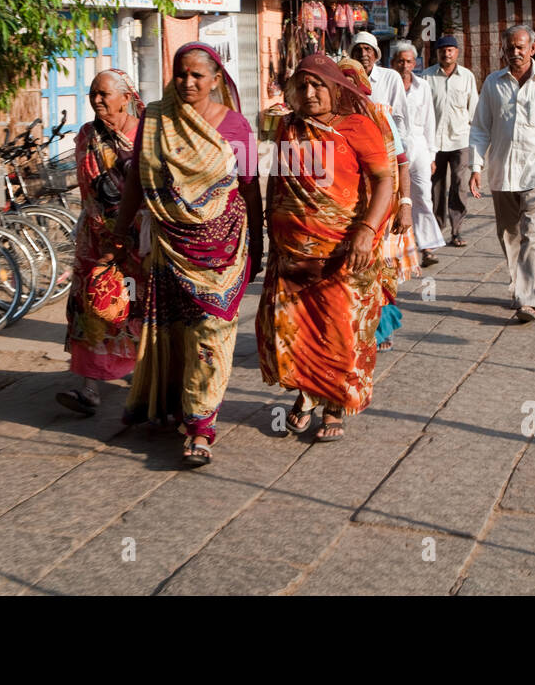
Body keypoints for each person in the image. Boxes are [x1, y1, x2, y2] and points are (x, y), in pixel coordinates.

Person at [102, 43, 262, 468]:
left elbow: (249, 187)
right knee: (171, 329)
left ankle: (200, 428)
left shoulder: (235, 127)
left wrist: (260, 244)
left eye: (197, 76)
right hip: (167, 245)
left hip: (223, 247)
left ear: (216, 80)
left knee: (211, 331)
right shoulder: (156, 119)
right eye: (181, 74)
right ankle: (169, 406)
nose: (188, 83)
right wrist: (120, 231)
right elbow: (137, 174)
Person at [256, 54, 397, 443]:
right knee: (296, 328)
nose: (309, 92)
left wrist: (367, 230)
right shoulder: (288, 127)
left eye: (318, 85)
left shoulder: (357, 128)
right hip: (292, 253)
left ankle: (334, 404)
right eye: (302, 85)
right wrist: (270, 225)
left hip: (342, 251)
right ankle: (305, 396)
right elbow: (278, 179)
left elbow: (384, 180)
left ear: (336, 89)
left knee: (337, 329)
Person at [57, 69, 145, 416]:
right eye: (93, 94)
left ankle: (142, 378)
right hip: (96, 241)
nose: (96, 100)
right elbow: (88, 189)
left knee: (134, 308)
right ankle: (89, 387)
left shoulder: (143, 137)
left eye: (104, 94)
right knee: (92, 309)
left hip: (137, 244)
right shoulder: (87, 136)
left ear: (126, 97)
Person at [469, 25, 535, 323]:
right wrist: (476, 166)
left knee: (533, 234)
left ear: (533, 49)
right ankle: (519, 284)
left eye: (520, 47)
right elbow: (479, 128)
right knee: (508, 234)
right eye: (510, 48)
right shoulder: (492, 83)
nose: (515, 53)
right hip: (502, 172)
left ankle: (529, 300)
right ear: (503, 49)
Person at [338, 57, 416, 352]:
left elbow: (402, 164)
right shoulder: (328, 122)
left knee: (380, 270)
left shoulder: (380, 118)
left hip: (382, 210)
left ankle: (380, 330)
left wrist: (405, 204)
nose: (346, 94)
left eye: (351, 87)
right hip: (344, 213)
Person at [390, 41, 446, 267]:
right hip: (393, 149)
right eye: (400, 61)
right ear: (393, 63)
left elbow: (429, 121)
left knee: (423, 195)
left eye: (408, 61)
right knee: (396, 197)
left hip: (419, 147)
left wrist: (432, 155)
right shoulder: (388, 84)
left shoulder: (422, 87)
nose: (404, 65)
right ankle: (401, 246)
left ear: (415, 63)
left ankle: (428, 247)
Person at [422, 34, 479, 246]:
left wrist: (478, 144)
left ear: (457, 52)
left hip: (460, 141)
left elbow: (474, 110)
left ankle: (456, 231)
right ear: (437, 53)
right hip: (434, 143)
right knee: (435, 188)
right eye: (443, 50)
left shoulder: (467, 77)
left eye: (450, 50)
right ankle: (437, 230)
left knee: (459, 184)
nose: (447, 53)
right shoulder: (426, 77)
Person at [349, 30, 412, 156]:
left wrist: (400, 147)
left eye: (367, 49)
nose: (363, 54)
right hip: (355, 146)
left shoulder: (390, 77)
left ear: (375, 54)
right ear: (352, 55)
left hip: (385, 147)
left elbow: (399, 116)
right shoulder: (347, 79)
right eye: (358, 49)